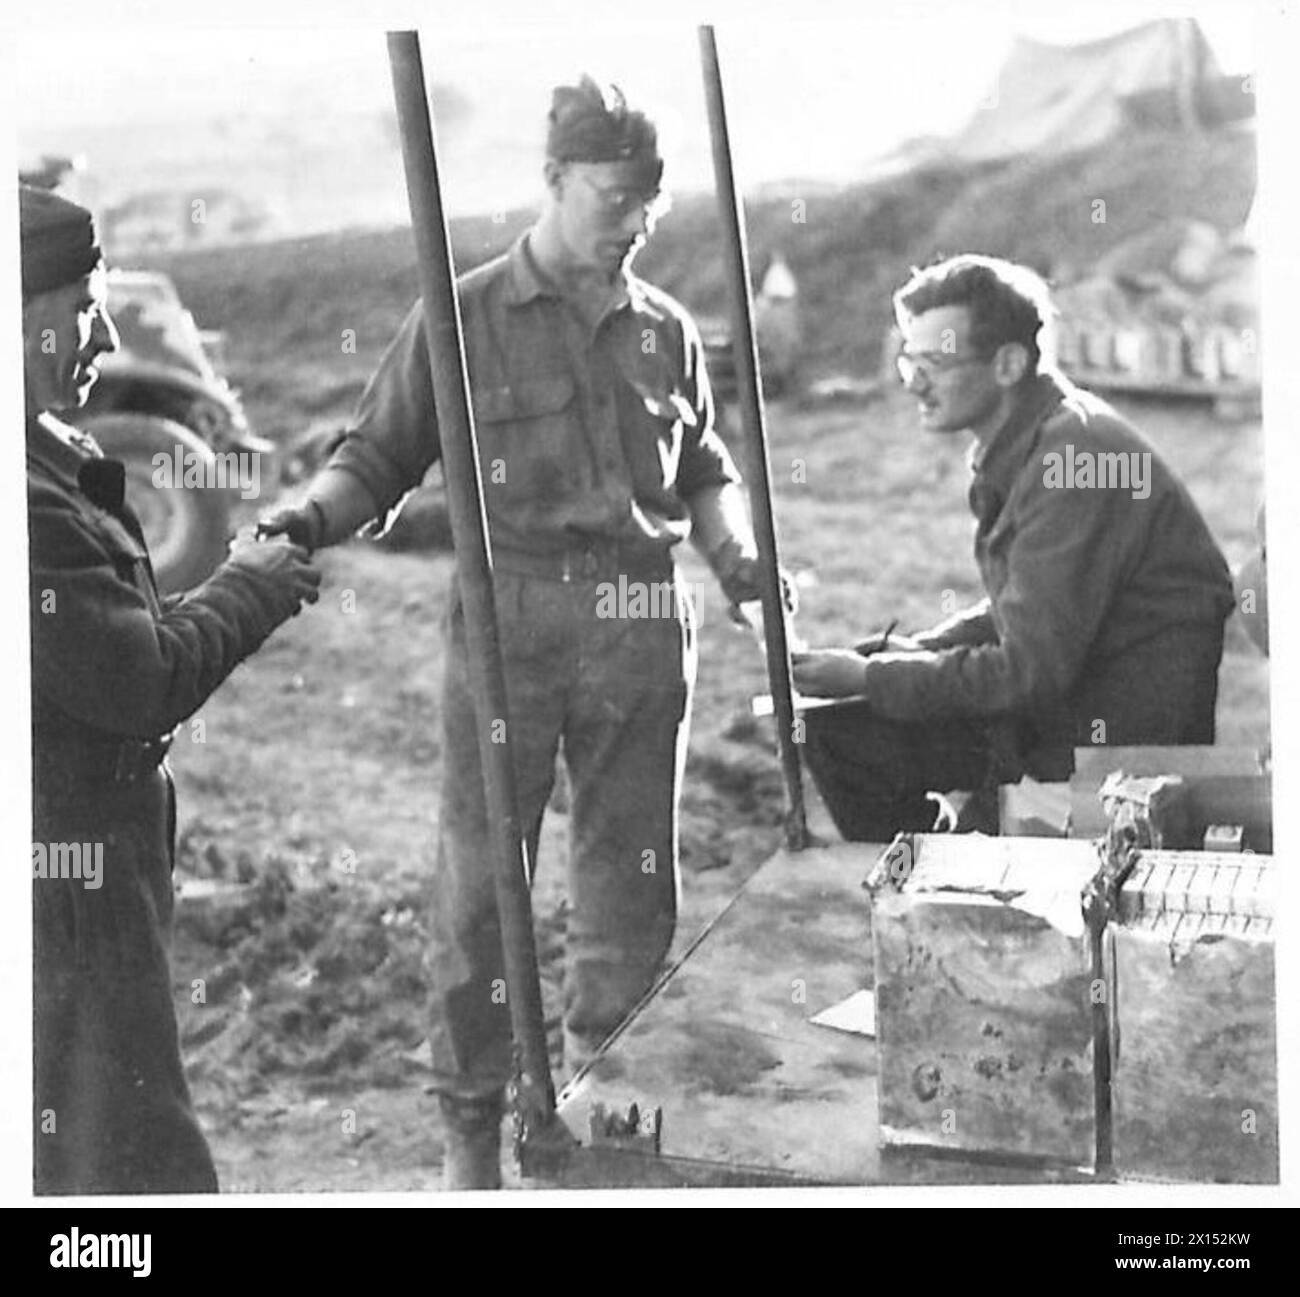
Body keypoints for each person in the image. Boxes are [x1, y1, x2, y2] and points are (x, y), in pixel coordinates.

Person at [261, 77, 769, 1189]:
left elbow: (707, 472)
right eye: (614, 196)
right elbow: (376, 458)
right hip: (513, 621)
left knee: (631, 880)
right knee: (484, 882)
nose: (635, 221)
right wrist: (306, 520)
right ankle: (468, 1133)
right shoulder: (463, 318)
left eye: (653, 200)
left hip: (640, 619)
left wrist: (736, 558)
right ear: (551, 182)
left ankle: (603, 1115)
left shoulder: (666, 330)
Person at [23, 183, 321, 1194]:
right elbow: (140, 679)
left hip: (87, 844)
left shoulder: (49, 453)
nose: (100, 334)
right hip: (69, 869)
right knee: (120, 1140)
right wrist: (252, 585)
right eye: (80, 308)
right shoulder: (24, 499)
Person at [792, 254, 1236, 842]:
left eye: (934, 362)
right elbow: (1024, 604)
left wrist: (873, 679)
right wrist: (915, 652)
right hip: (1064, 706)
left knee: (849, 730)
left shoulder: (1076, 459)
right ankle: (933, 870)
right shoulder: (1040, 440)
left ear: (1007, 364)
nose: (912, 381)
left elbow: (1028, 670)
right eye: (909, 360)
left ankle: (930, 878)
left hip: (1107, 748)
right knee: (841, 723)